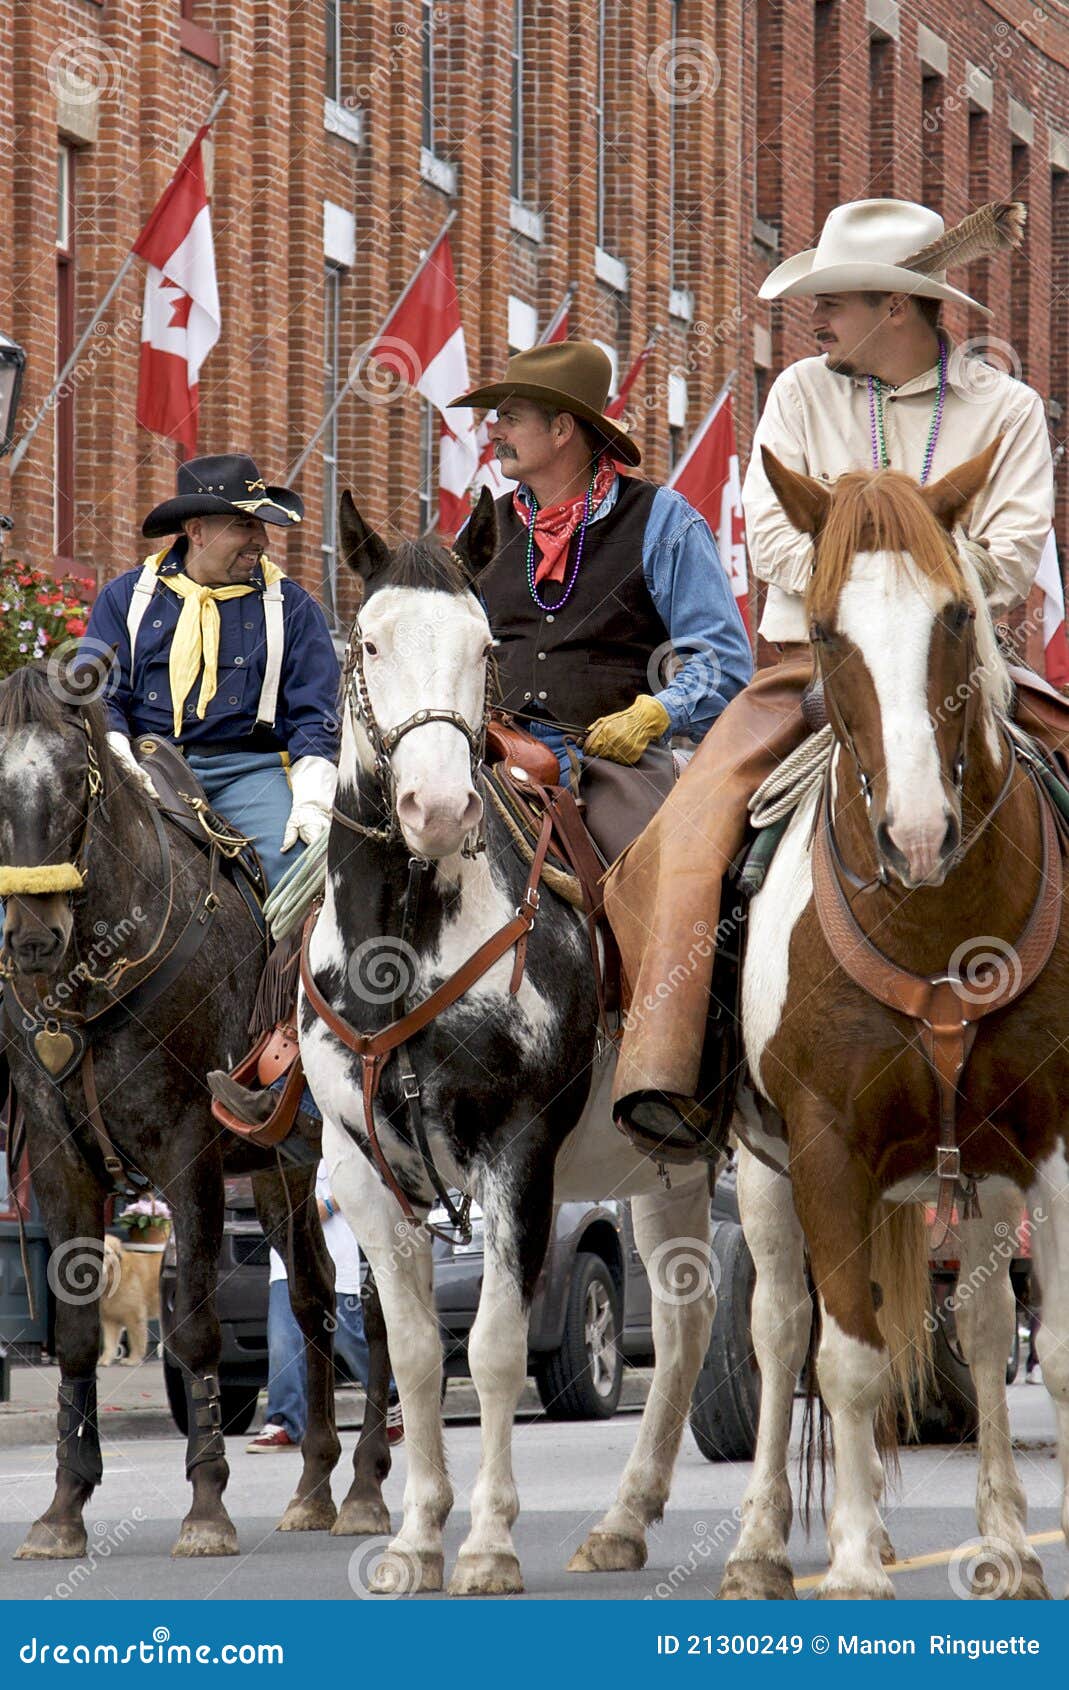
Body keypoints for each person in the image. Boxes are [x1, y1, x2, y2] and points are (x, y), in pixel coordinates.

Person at [604, 198, 1060, 1159]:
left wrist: (906, 583)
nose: (814, 320)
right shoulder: (798, 394)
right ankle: (676, 1071)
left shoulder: (1006, 408)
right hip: (811, 668)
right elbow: (769, 533)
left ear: (895, 306)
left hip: (958, 667)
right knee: (682, 836)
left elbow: (1014, 555)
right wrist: (871, 574)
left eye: (834, 301)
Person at [449, 341, 752, 787]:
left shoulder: (664, 521)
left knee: (643, 835)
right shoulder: (482, 528)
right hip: (489, 756)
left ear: (561, 430)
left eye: (510, 418)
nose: (494, 432)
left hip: (614, 766)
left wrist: (657, 713)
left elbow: (722, 663)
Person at [83, 453, 340, 892]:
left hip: (250, 775)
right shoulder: (125, 598)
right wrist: (119, 760)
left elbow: (315, 716)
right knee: (50, 862)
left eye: (262, 526)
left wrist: (313, 797)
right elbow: (97, 694)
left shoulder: (293, 607)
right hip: (147, 766)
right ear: (196, 530)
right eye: (244, 525)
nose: (261, 539)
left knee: (298, 877)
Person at [247, 1160, 403, 1450]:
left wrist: (326, 1206)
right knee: (283, 1342)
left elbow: (359, 1188)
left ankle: (391, 1396)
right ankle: (284, 1422)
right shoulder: (275, 1152)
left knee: (347, 1339)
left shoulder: (339, 1144)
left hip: (335, 1259)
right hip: (287, 1262)